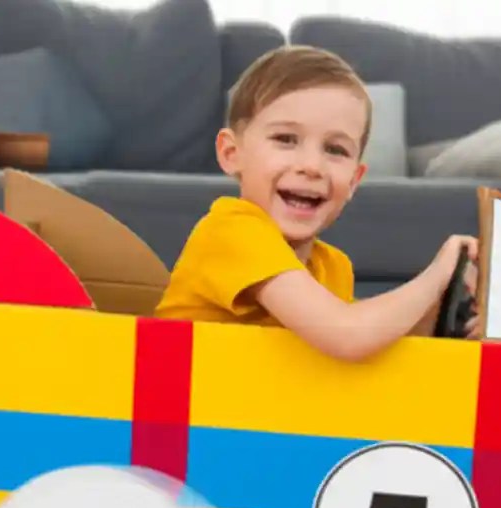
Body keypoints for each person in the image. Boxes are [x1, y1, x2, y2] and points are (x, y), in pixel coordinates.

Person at [154, 45, 482, 361]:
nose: (311, 166)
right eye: (286, 139)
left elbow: (373, 346)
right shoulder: (232, 232)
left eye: (335, 150)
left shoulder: (332, 266)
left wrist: (447, 310)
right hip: (170, 410)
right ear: (231, 153)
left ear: (354, 180)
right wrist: (437, 273)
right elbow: (348, 336)